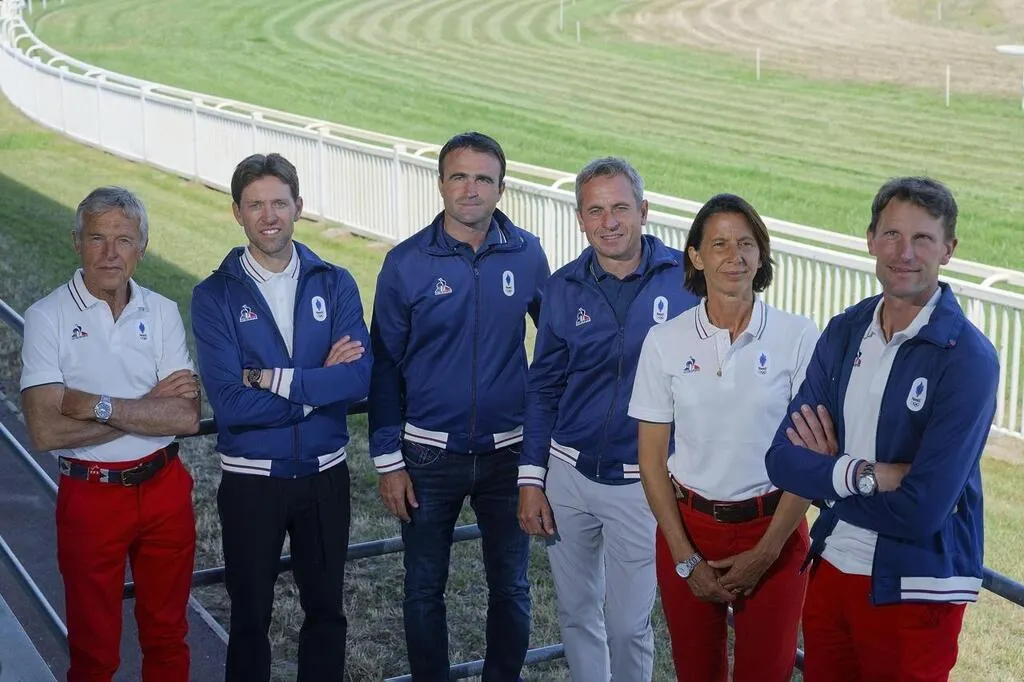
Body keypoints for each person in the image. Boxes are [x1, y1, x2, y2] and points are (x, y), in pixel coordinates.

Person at [765, 177, 999, 682]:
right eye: (892, 234)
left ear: (949, 250)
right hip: (831, 568)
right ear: (870, 239)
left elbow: (923, 510)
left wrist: (825, 480)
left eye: (923, 239)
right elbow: (781, 460)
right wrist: (867, 474)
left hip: (917, 587)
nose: (905, 253)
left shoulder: (969, 359)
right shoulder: (846, 329)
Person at [368, 131, 549, 681]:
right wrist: (387, 460)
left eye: (483, 178)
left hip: (508, 457)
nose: (470, 189)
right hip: (426, 459)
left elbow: (559, 346)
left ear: (501, 187)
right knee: (424, 589)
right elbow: (383, 365)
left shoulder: (528, 252)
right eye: (459, 176)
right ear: (441, 182)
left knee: (512, 588)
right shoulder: (406, 264)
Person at [191, 153, 370, 682]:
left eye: (279, 203)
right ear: (237, 213)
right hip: (252, 484)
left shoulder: (335, 282)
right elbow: (231, 404)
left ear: (299, 207)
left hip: (324, 478)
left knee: (326, 615)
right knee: (249, 620)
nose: (269, 216)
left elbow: (359, 379)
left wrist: (273, 378)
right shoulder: (214, 295)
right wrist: (319, 383)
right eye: (255, 205)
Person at [518, 157, 698, 681]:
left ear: (644, 211)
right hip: (567, 476)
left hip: (642, 482)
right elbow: (543, 385)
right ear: (580, 218)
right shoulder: (562, 287)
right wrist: (533, 478)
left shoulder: (687, 282)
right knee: (576, 615)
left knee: (627, 625)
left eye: (621, 207)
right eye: (595, 210)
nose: (609, 221)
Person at [627, 194, 818, 682]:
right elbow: (651, 460)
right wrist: (686, 557)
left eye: (746, 244)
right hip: (690, 529)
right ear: (694, 256)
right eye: (719, 244)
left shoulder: (798, 337)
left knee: (766, 673)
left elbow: (812, 456)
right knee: (697, 672)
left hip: (775, 529)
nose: (734, 257)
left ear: (761, 254)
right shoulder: (665, 341)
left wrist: (767, 553)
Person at [20, 186, 200, 682]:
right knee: (94, 653)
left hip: (164, 488)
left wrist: (97, 405)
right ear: (76, 242)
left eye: (124, 239)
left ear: (142, 247)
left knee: (167, 637)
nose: (110, 253)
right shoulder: (46, 317)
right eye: (97, 238)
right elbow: (45, 428)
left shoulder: (161, 310)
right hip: (91, 494)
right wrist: (147, 407)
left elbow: (185, 416)